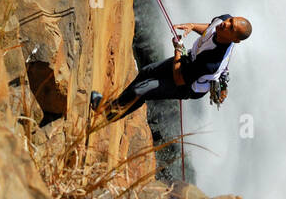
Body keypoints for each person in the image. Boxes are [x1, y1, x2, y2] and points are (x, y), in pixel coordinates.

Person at [90, 15, 252, 122]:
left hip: (189, 85)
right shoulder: (223, 21)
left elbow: (179, 79)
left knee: (143, 90)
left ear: (235, 40)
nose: (226, 23)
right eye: (231, 21)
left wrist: (178, 49)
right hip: (190, 61)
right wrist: (193, 26)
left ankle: (107, 113)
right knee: (147, 72)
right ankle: (114, 108)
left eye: (231, 28)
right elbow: (211, 27)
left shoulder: (212, 61)